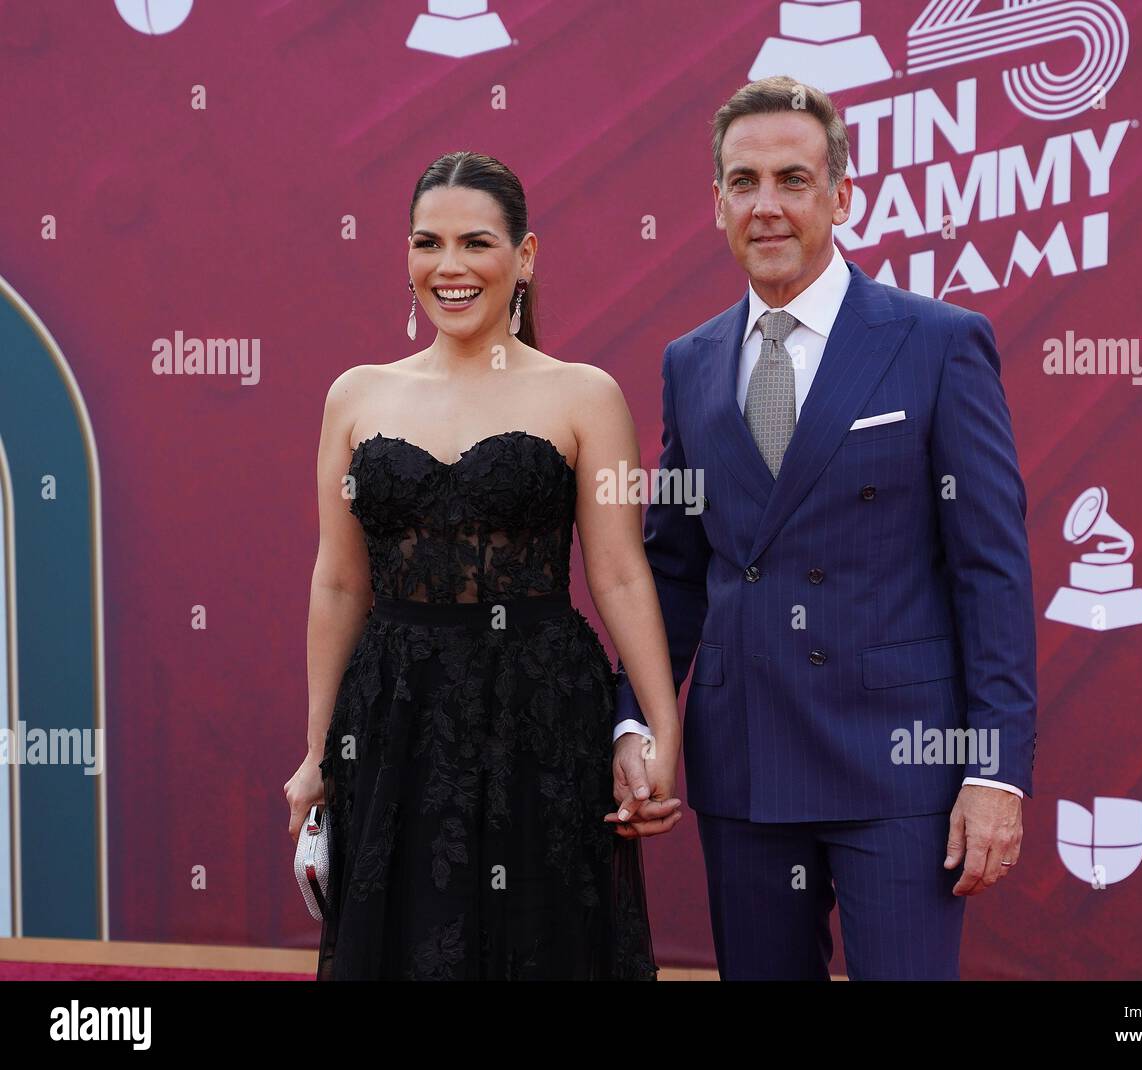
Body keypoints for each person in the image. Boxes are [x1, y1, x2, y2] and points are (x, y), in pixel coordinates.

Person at [608, 76, 1038, 980]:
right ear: (717, 202)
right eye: (744, 182)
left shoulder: (938, 342)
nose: (766, 206)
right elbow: (675, 571)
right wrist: (633, 722)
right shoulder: (689, 364)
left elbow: (989, 568)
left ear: (842, 196)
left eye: (793, 180)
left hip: (901, 768)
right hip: (748, 761)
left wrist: (994, 772)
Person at [283, 151, 681, 980]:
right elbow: (339, 581)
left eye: (477, 243)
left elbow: (618, 575)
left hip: (542, 715)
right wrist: (318, 749)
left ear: (525, 257)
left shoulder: (586, 395)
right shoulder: (354, 396)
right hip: (392, 717)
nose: (450, 266)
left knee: (539, 941)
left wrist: (659, 728)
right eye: (428, 243)